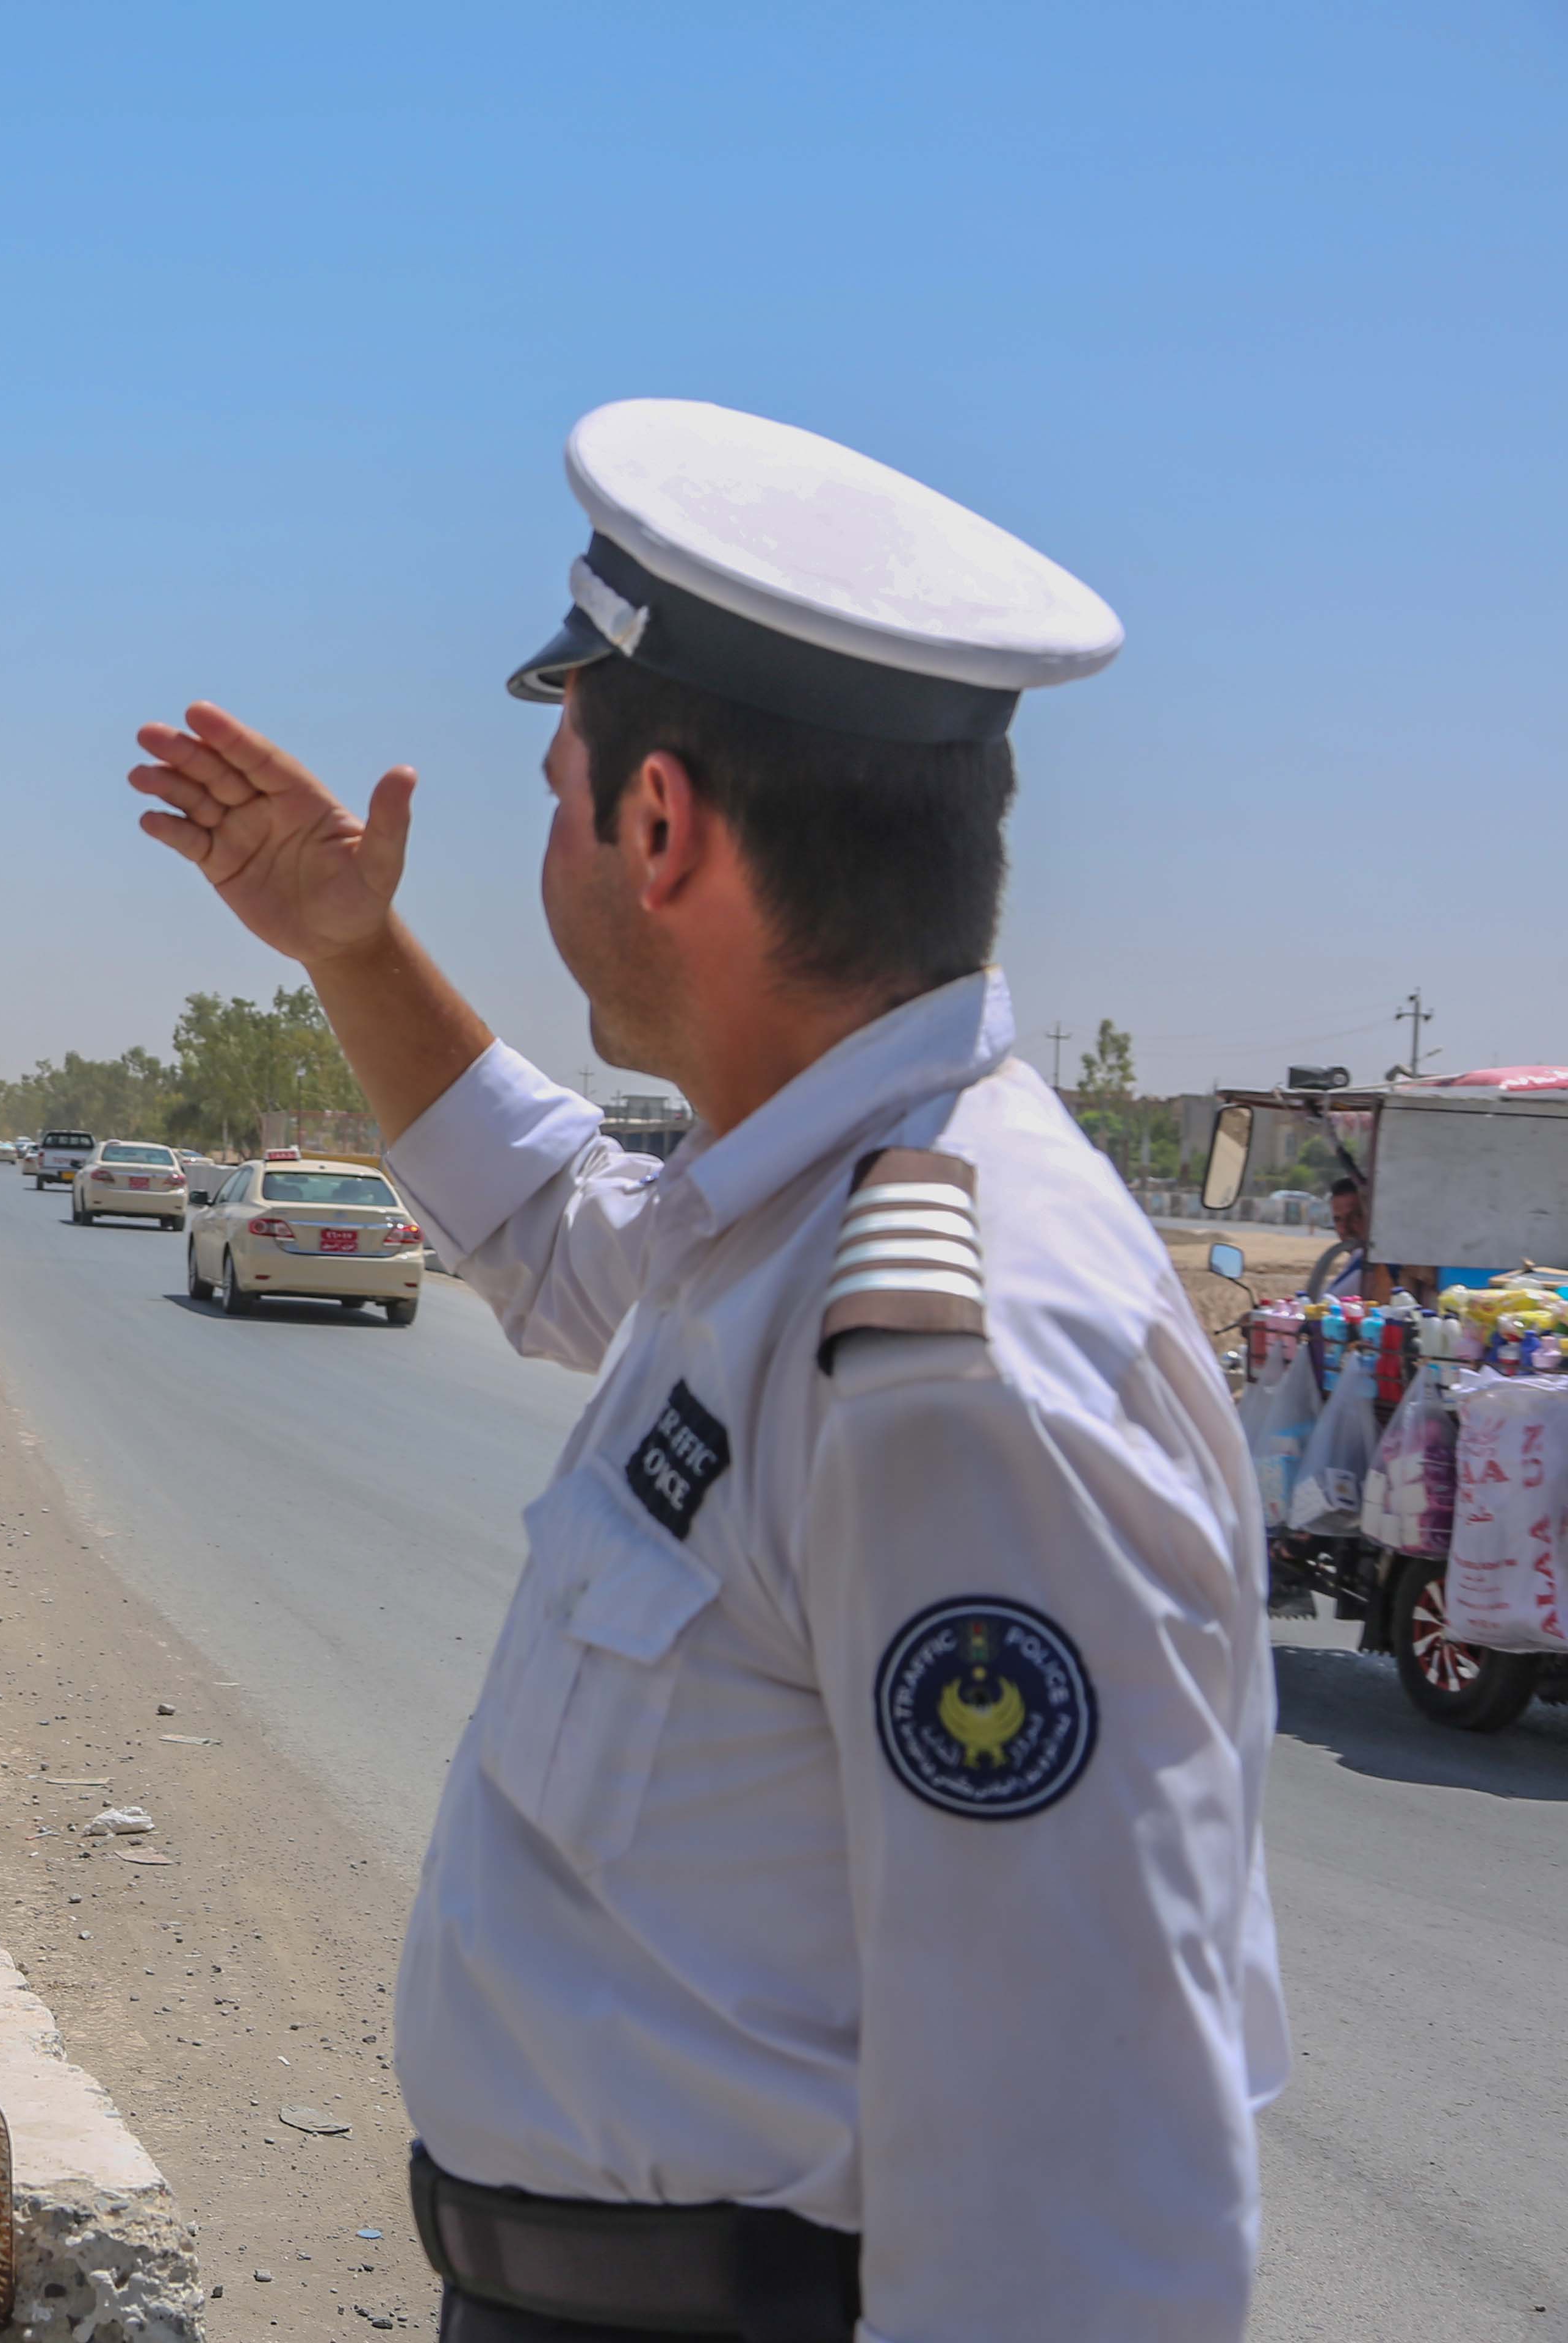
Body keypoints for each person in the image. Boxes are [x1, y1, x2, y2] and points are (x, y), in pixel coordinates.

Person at [129, 399, 1282, 2342]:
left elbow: (1084, 2189)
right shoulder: (793, 1214)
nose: (550, 834)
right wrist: (352, 947)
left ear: (656, 830)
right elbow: (552, 1217)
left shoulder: (958, 1353)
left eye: (559, 781)